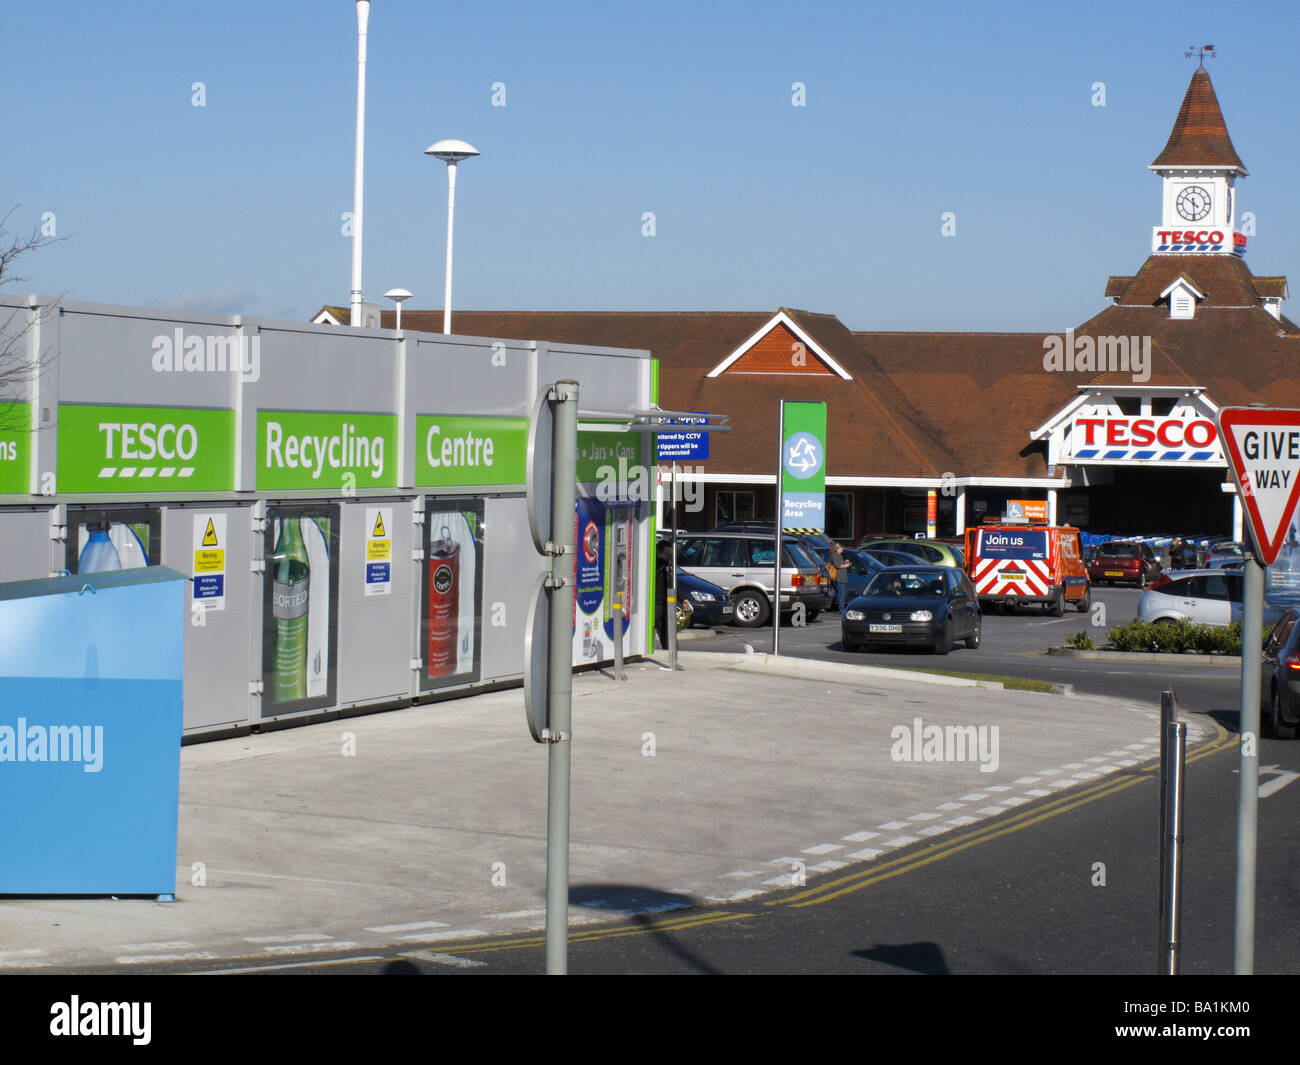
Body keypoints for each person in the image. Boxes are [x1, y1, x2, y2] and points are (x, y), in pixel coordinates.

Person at [828, 541, 849, 613]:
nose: (842, 549)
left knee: (833, 593)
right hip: (839, 577)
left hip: (838, 577)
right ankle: (842, 609)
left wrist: (845, 562)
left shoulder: (839, 555)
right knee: (842, 594)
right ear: (837, 549)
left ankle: (827, 606)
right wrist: (846, 565)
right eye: (841, 548)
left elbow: (840, 563)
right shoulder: (835, 555)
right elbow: (838, 565)